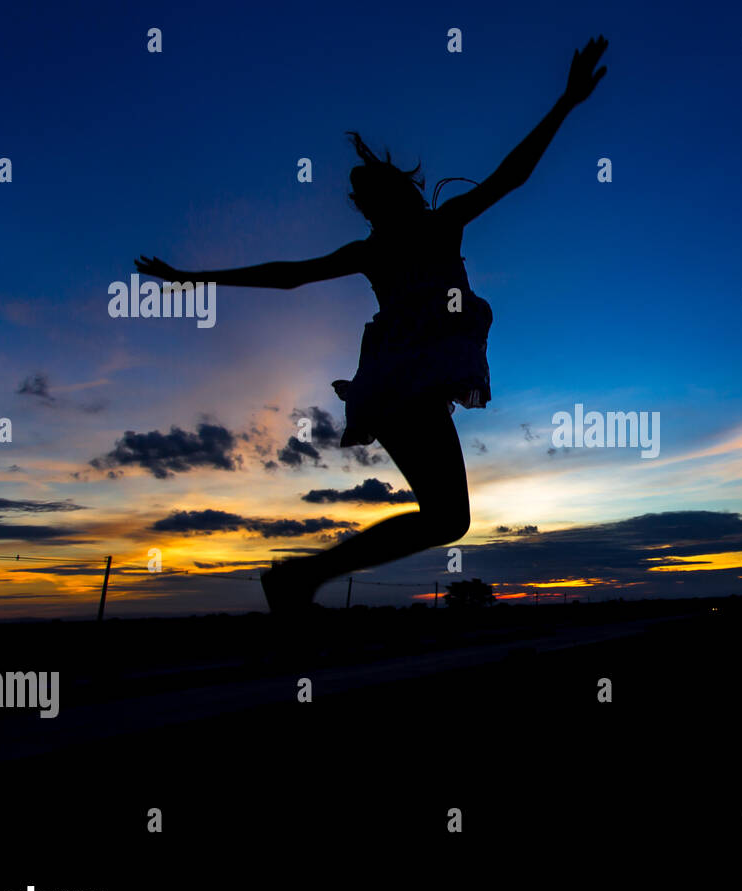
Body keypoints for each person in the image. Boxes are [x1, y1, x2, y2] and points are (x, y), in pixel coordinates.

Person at [135, 36, 608, 612]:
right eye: (363, 201)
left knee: (446, 518)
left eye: (366, 198)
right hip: (400, 392)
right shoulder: (415, 236)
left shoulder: (408, 237)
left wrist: (564, 102)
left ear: (391, 198)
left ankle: (302, 578)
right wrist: (190, 278)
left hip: (397, 392)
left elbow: (511, 176)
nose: (364, 206)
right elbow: (287, 274)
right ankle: (301, 578)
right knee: (447, 519)